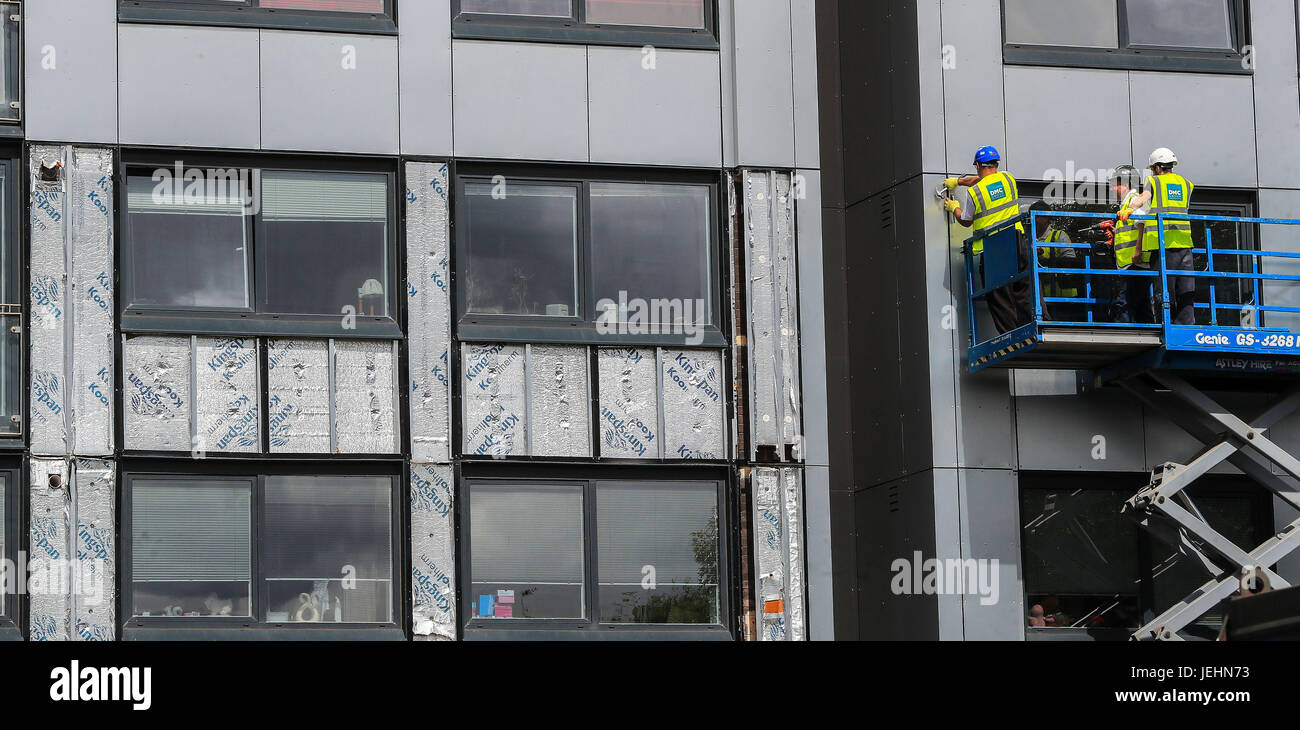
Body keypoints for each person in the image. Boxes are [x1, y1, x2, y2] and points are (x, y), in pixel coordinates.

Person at [945, 145, 1031, 333]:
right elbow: (986, 180)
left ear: (977, 165)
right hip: (1017, 241)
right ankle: (1036, 323)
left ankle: (1010, 333)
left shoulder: (975, 193)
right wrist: (959, 181)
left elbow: (966, 221)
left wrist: (953, 207)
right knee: (1025, 286)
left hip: (994, 247)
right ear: (996, 164)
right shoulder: (1008, 179)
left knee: (999, 294)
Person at [1120, 148, 1196, 325]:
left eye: (1153, 168)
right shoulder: (1186, 184)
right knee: (1186, 288)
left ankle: (1165, 326)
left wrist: (1128, 209)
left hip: (1162, 245)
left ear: (1158, 167)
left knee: (1164, 289)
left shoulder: (1153, 182)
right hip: (1185, 243)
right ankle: (1185, 326)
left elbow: (1142, 199)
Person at [1109, 165, 1155, 323]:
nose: (1112, 188)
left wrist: (1138, 251)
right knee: (1142, 306)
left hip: (1135, 263)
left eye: (1114, 184)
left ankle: (1121, 333)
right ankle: (1150, 331)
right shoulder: (1126, 203)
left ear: (1123, 183)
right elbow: (1132, 229)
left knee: (1125, 303)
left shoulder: (1134, 201)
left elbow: (1142, 223)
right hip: (1131, 264)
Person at [1029, 200, 1082, 322]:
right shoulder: (1029, 239)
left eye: (1037, 216)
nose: (1034, 220)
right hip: (1041, 300)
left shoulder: (1059, 236)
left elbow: (1071, 262)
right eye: (1033, 217)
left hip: (1063, 298)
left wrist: (1047, 261)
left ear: (1046, 218)